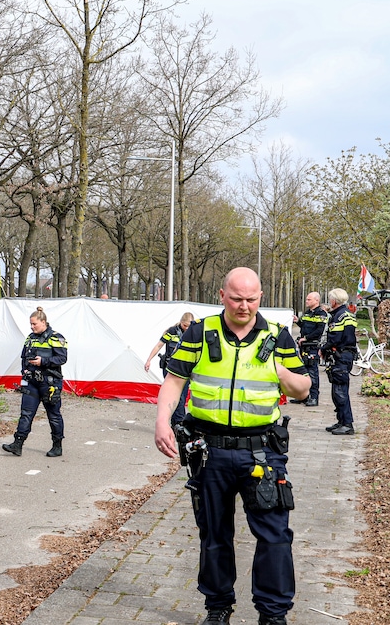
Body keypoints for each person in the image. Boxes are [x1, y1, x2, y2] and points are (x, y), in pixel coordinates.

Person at [154, 267, 309, 625]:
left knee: (274, 537)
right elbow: (174, 381)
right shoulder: (200, 331)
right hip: (209, 452)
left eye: (251, 299)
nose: (244, 306)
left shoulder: (277, 336)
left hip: (262, 452)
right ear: (222, 295)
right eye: (237, 298)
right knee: (214, 534)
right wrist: (162, 421)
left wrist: (280, 372)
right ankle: (218, 607)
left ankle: (272, 615)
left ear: (260, 298)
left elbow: (303, 389)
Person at [2, 307, 68, 457]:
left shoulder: (56, 338)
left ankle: (57, 446)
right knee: (26, 413)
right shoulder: (30, 337)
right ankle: (17, 444)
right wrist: (24, 370)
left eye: (34, 324)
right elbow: (24, 357)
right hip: (32, 381)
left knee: (53, 415)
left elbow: (62, 358)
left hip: (49, 383)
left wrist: (43, 361)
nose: (32, 327)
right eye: (30, 324)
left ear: (43, 322)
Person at [144, 312, 195, 425]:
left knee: (182, 396)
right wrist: (149, 360)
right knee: (178, 397)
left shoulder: (194, 333)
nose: (186, 328)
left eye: (188, 326)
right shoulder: (172, 332)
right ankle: (179, 422)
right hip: (170, 368)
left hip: (185, 369)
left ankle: (175, 423)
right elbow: (159, 345)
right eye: (184, 325)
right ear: (181, 322)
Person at [322, 288, 358, 435]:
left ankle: (347, 424)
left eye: (330, 299)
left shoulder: (341, 316)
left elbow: (335, 338)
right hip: (342, 355)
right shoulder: (341, 314)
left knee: (340, 391)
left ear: (334, 300)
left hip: (341, 356)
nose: (330, 302)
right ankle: (341, 421)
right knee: (336, 390)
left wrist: (323, 348)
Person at [290, 291, 327, 406]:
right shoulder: (307, 313)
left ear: (316, 300)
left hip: (312, 346)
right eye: (306, 299)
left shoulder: (321, 314)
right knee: (302, 372)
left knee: (312, 372)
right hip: (303, 347)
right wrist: (298, 321)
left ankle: (314, 398)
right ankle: (303, 396)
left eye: (309, 299)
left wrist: (306, 338)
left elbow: (318, 331)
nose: (306, 301)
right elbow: (305, 326)